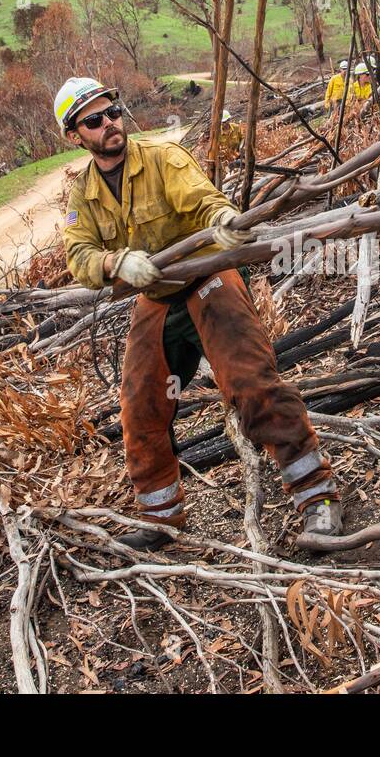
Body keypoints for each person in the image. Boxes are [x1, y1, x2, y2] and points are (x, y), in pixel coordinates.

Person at [56, 76, 344, 549]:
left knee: (250, 383)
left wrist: (223, 222)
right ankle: (161, 516)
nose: (109, 123)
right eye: (94, 120)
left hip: (208, 280)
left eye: (112, 112)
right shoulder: (82, 196)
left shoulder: (162, 158)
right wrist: (114, 262)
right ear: (75, 136)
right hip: (158, 298)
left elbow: (203, 199)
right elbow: (77, 255)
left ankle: (318, 497)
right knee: (140, 405)